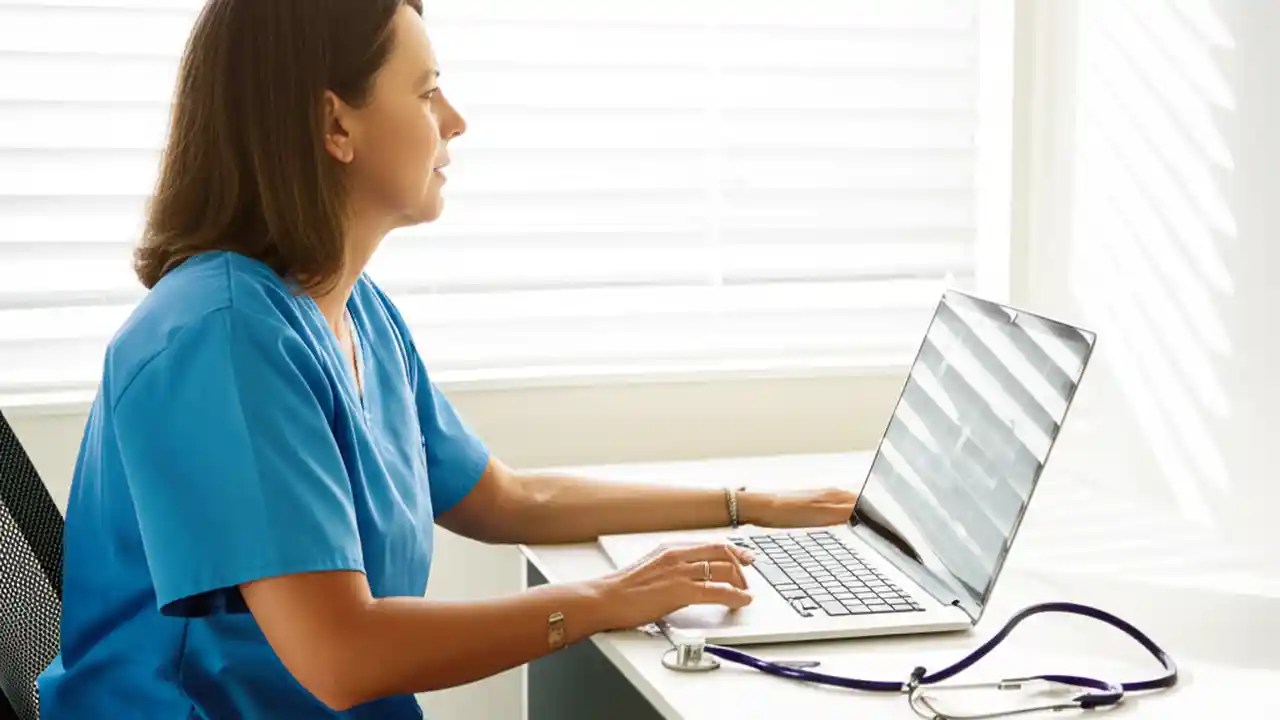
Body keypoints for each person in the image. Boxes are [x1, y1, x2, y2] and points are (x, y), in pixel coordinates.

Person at [36, 1, 858, 717]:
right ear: (335, 124)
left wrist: (745, 504)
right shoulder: (220, 340)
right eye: (427, 93)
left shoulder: (349, 307)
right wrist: (606, 600)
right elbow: (342, 656)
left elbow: (506, 497)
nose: (455, 120)